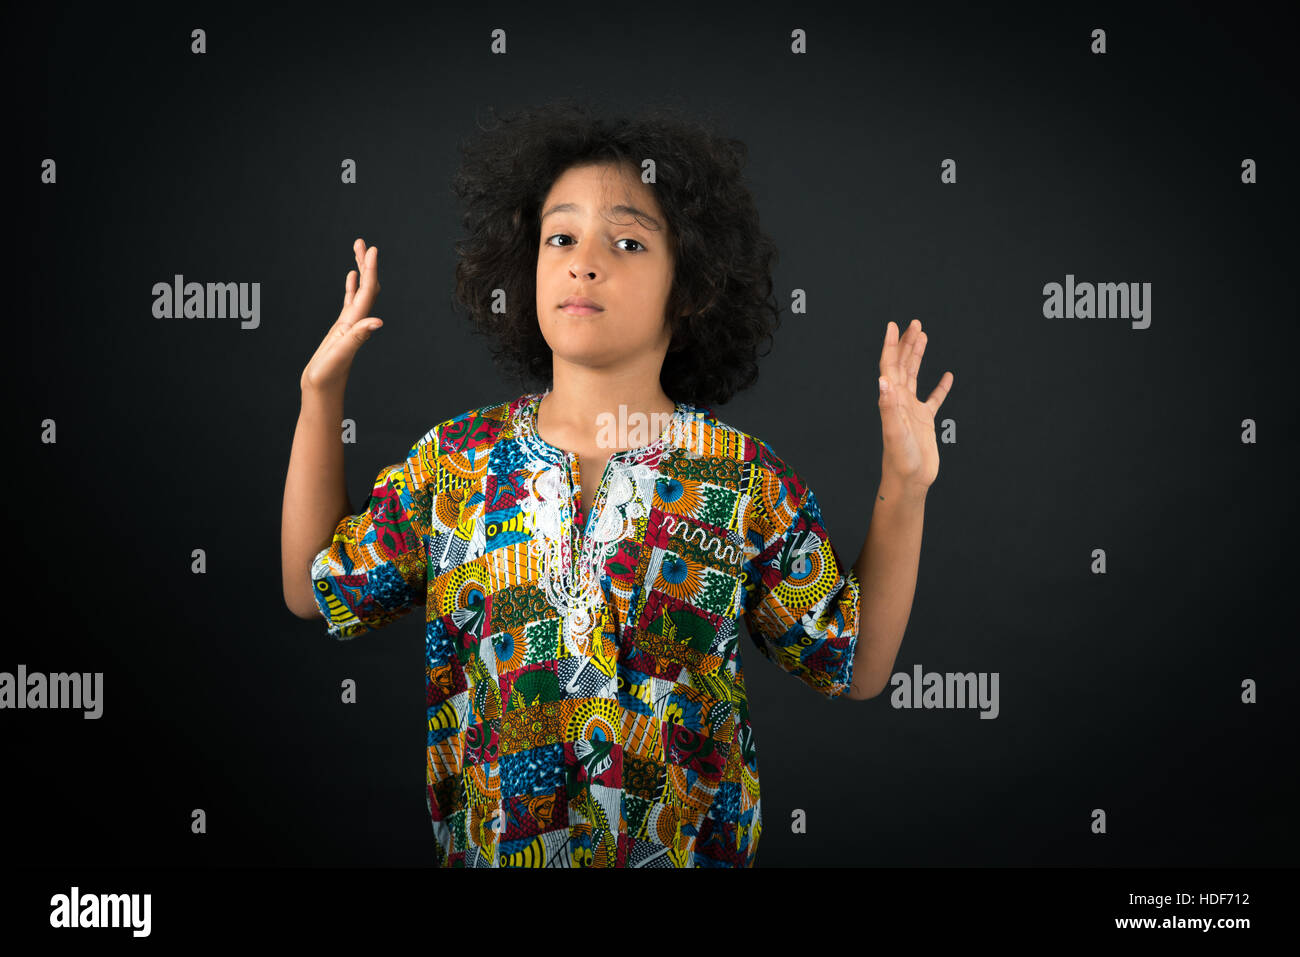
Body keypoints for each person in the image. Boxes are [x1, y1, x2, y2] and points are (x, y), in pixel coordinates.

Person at [280, 100, 953, 868]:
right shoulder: (455, 464)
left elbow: (856, 664)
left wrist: (906, 482)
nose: (583, 259)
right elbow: (315, 587)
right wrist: (318, 395)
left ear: (691, 286)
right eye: (559, 236)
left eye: (627, 240)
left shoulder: (744, 481)